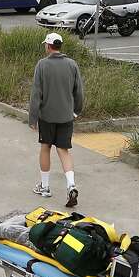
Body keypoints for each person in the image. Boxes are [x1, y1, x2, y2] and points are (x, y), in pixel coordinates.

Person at [28, 32, 85, 208]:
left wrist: (33, 117)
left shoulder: (42, 65)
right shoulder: (72, 64)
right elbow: (79, 92)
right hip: (66, 116)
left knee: (45, 147)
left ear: (48, 46)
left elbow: (36, 93)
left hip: (47, 116)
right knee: (64, 150)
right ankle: (71, 185)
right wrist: (76, 111)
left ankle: (45, 187)